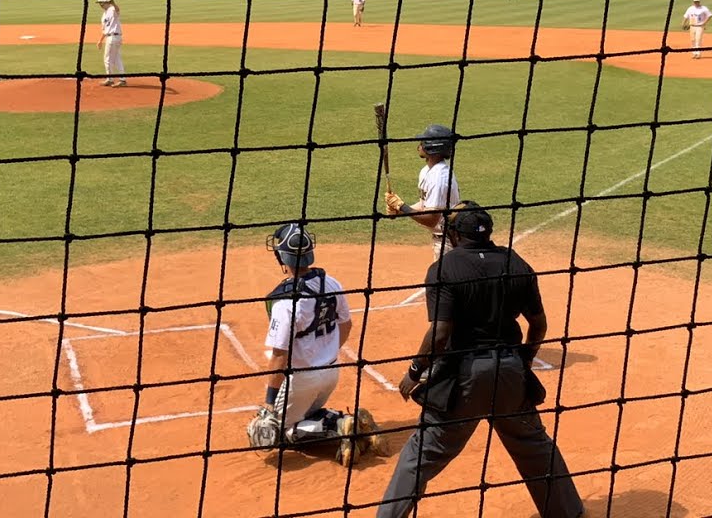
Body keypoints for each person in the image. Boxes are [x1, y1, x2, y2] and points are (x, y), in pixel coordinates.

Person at [377, 202, 584, 518]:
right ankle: (570, 514)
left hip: (464, 380)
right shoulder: (516, 263)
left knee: (419, 456)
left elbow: (441, 332)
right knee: (535, 448)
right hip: (511, 372)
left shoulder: (445, 268)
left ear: (456, 235)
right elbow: (539, 325)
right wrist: (522, 363)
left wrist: (415, 370)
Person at [245, 223, 386, 466]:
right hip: (331, 373)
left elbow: (279, 355)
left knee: (282, 432)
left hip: (301, 380)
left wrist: (270, 401)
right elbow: (347, 324)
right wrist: (327, 351)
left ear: (281, 256)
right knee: (306, 414)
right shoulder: (331, 283)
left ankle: (341, 425)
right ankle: (351, 422)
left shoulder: (285, 302)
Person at [385, 124, 461, 260]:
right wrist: (399, 210)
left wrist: (402, 206)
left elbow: (431, 219)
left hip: (449, 242)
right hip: (443, 239)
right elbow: (423, 206)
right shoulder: (427, 171)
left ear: (433, 147)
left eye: (423, 143)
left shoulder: (439, 177)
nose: (419, 146)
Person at [95, 0, 126, 87]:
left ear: (106, 2)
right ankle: (122, 79)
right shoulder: (104, 15)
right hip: (111, 37)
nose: (100, 4)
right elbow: (105, 30)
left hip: (114, 37)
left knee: (107, 59)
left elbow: (117, 10)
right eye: (99, 3)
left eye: (102, 2)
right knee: (117, 59)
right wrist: (100, 40)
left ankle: (110, 79)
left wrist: (114, 3)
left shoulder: (112, 9)